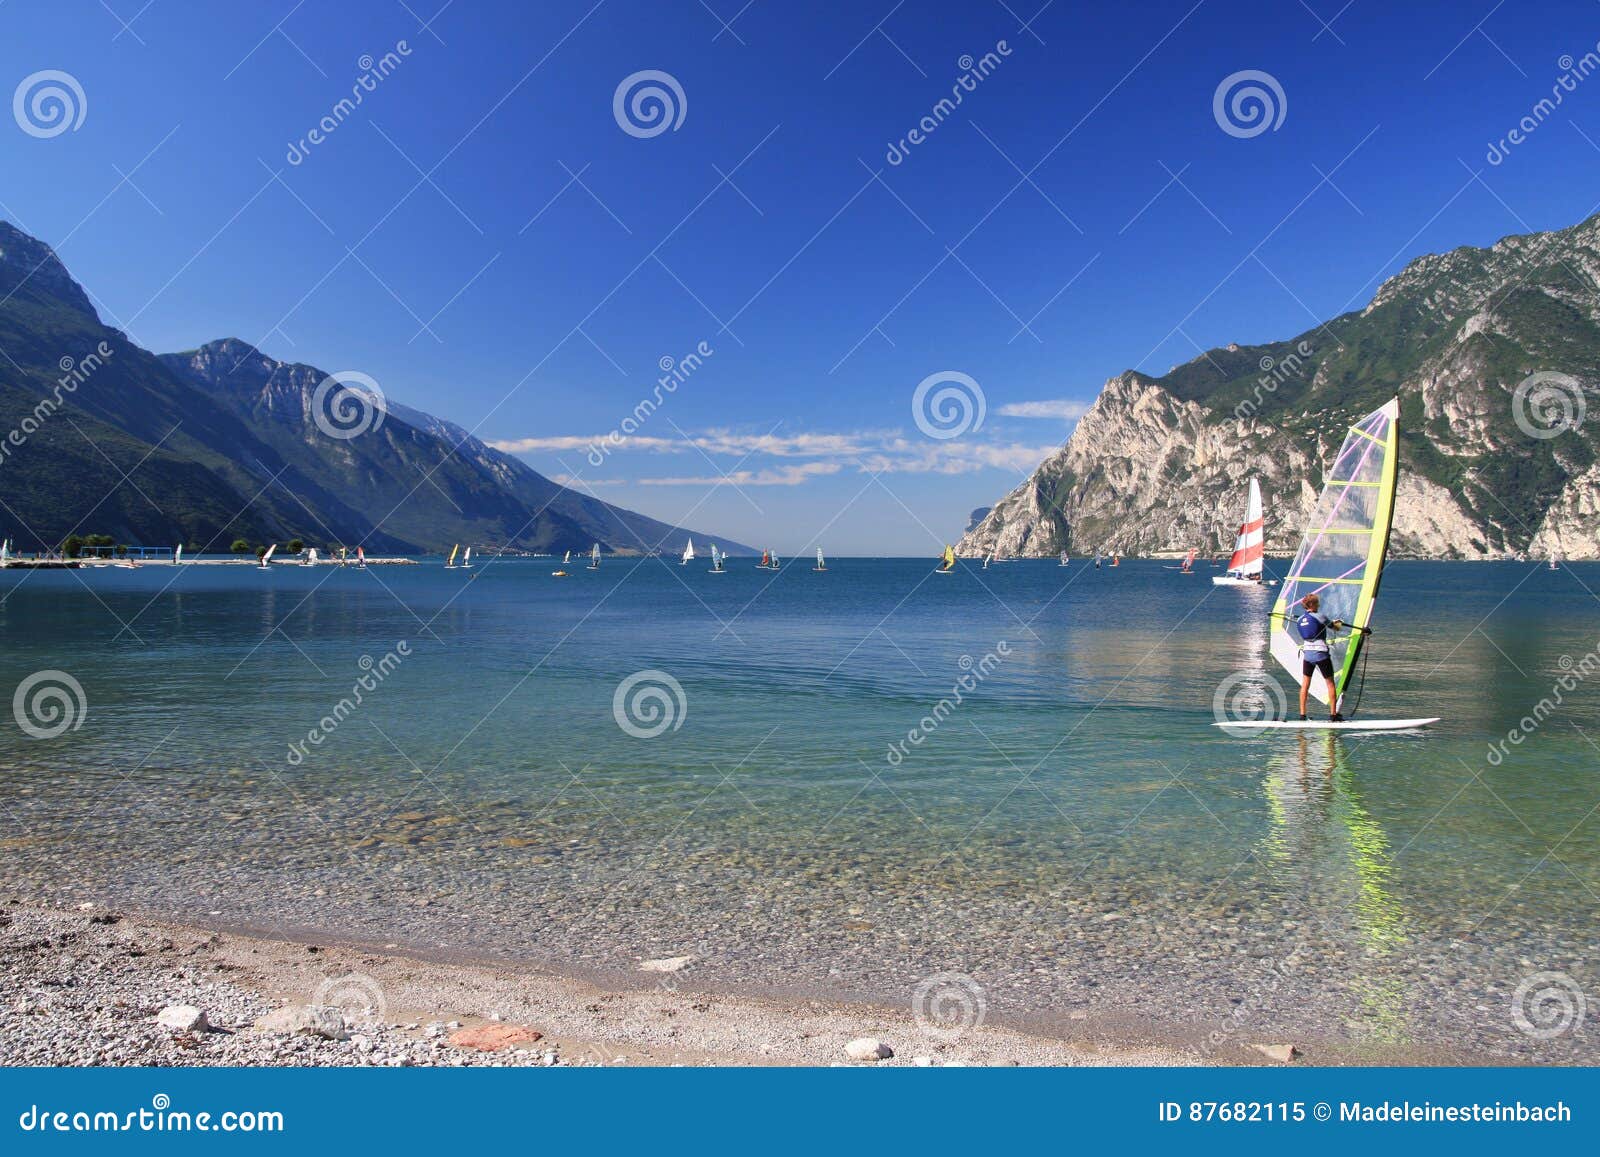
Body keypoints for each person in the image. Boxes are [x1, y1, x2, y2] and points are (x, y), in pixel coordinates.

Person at [1295, 593, 1346, 722]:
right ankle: (1333, 715)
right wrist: (1338, 623)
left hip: (1308, 655)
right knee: (1330, 683)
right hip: (1321, 654)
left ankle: (1302, 715)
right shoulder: (1321, 616)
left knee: (1305, 684)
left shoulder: (1299, 619)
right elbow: (1335, 628)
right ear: (1312, 604)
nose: (1319, 605)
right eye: (1317, 603)